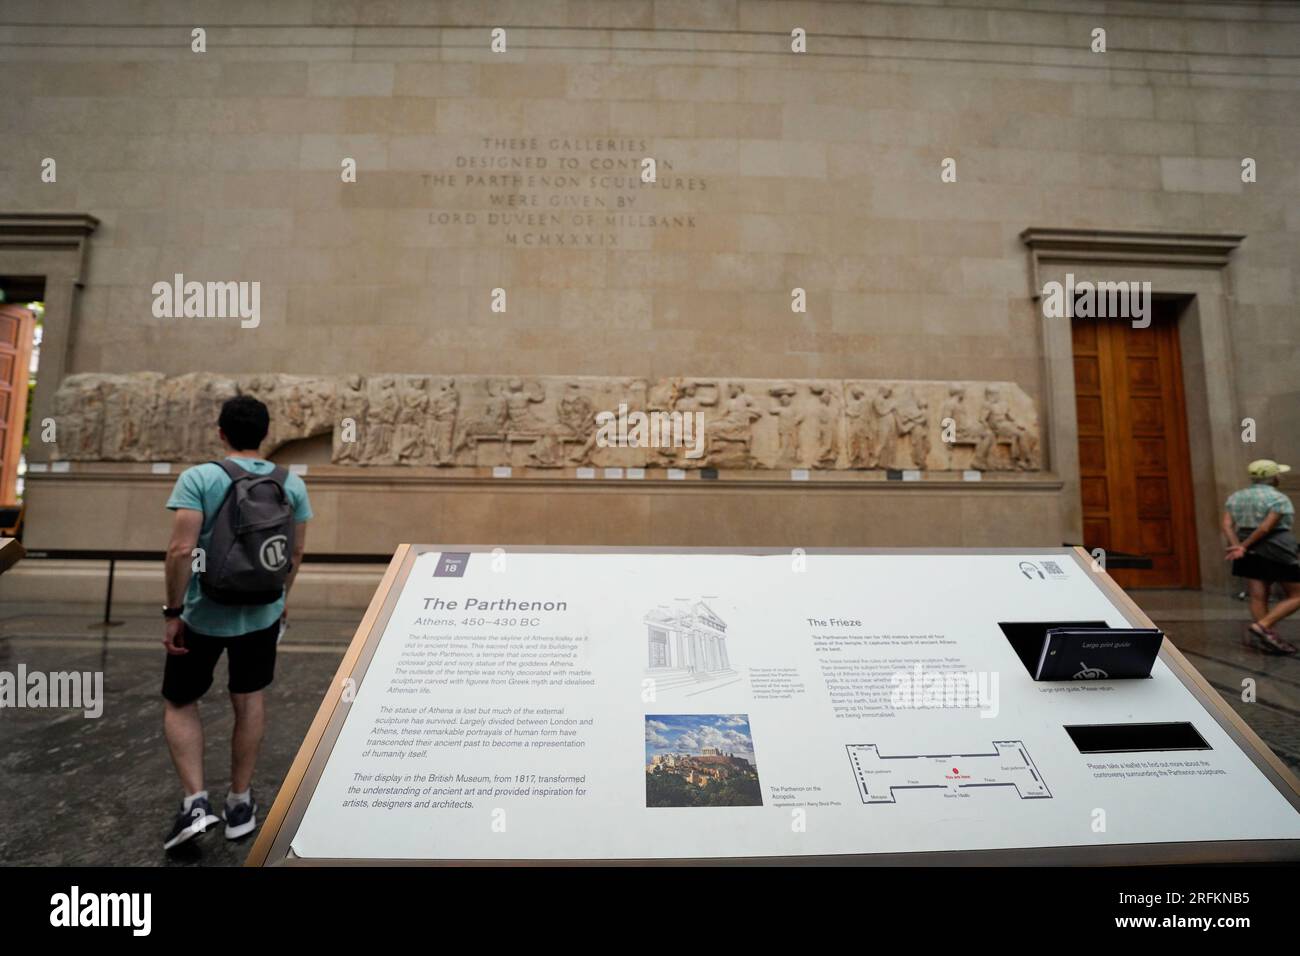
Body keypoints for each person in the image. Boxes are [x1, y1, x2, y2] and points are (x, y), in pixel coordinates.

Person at [160, 395, 312, 849]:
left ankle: (195, 801)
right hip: (262, 612)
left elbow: (180, 550)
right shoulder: (291, 483)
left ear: (221, 432)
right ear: (265, 434)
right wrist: (282, 598)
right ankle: (240, 803)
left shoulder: (200, 477)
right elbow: (297, 552)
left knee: (180, 701)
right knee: (248, 699)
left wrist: (173, 611)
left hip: (204, 612)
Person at [1222, 459, 1299, 654]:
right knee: (1297, 593)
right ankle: (1264, 625)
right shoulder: (1278, 499)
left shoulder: (1236, 497)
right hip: (1277, 548)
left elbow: (1226, 524)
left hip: (1248, 550)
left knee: (1258, 595)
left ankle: (1268, 636)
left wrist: (1237, 545)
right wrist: (1243, 546)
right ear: (1273, 477)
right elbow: (1266, 527)